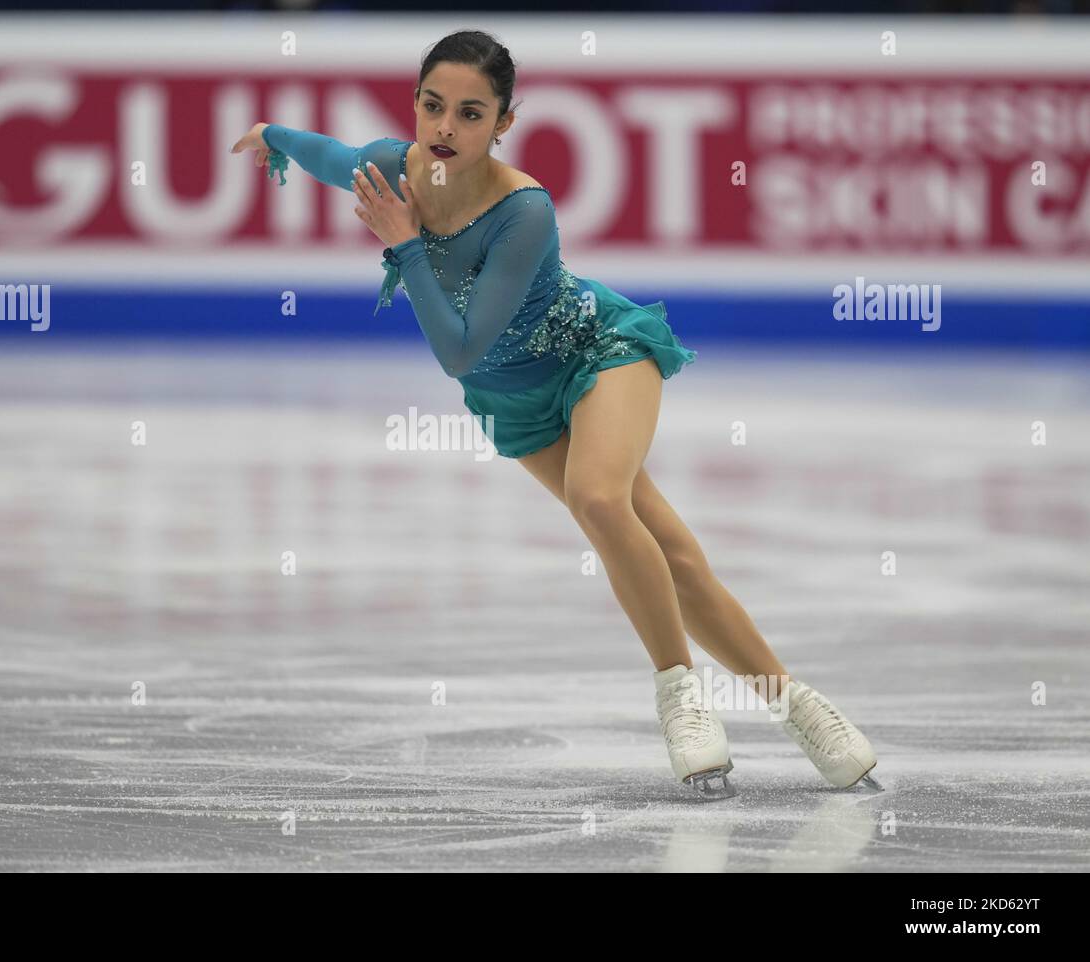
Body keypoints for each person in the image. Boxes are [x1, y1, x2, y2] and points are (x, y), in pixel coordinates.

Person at [230, 29, 880, 800]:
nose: (446, 128)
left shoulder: (524, 211)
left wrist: (405, 246)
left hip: (598, 353)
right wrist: (273, 137)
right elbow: (325, 152)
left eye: (471, 114)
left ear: (503, 123)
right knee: (671, 557)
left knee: (597, 497)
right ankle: (801, 709)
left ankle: (682, 699)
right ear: (414, 105)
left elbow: (460, 351)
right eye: (433, 107)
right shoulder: (388, 168)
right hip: (516, 402)